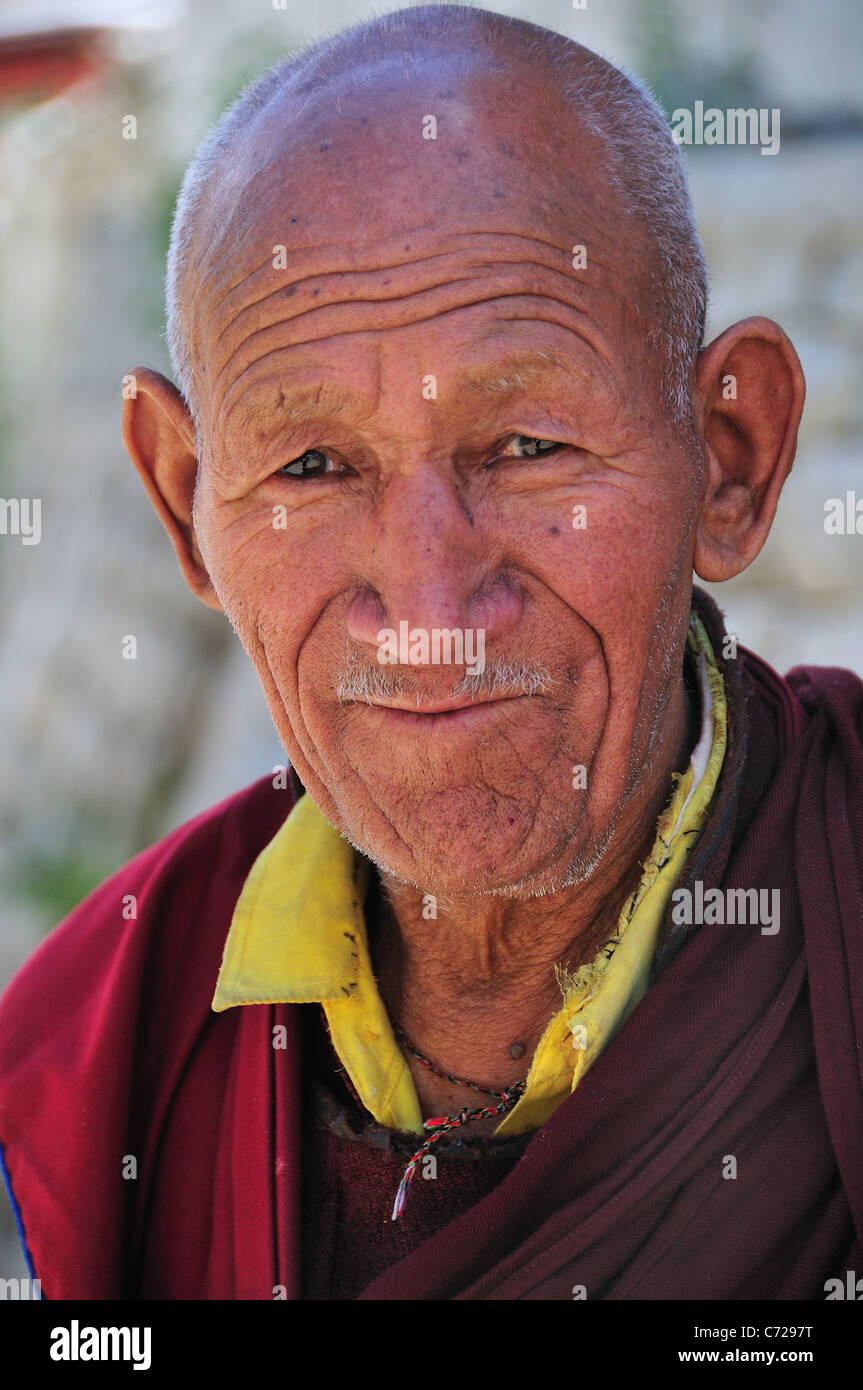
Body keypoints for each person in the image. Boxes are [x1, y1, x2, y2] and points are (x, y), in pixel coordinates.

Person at [1, 4, 860, 1300]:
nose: (430, 604)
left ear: (728, 462)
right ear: (185, 505)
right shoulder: (79, 1063)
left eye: (527, 447)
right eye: (311, 465)